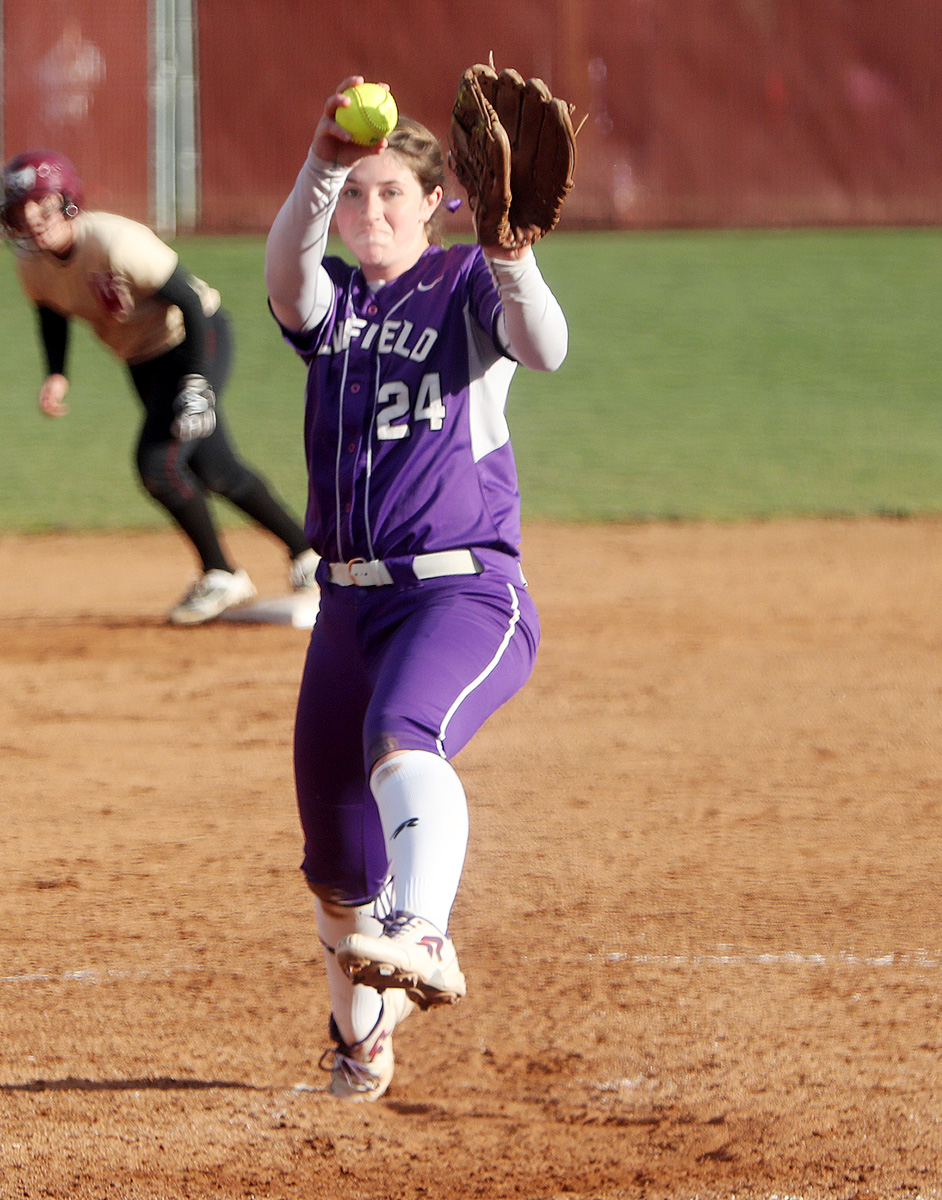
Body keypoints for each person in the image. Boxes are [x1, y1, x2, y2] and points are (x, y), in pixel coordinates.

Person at [264, 78, 569, 1100]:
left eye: (393, 192)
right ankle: (363, 1041)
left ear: (437, 203)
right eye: (358, 195)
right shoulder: (335, 306)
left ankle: (427, 929)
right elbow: (284, 278)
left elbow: (547, 347)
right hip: (346, 610)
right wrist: (322, 161)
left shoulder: (465, 284)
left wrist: (513, 256)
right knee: (337, 870)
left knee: (404, 734)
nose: (373, 211)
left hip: (461, 594)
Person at [0, 150, 318, 625]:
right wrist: (57, 373)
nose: (33, 219)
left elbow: (190, 302)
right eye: (21, 209)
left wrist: (198, 381)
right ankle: (307, 554)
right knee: (216, 468)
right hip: (142, 361)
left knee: (159, 465)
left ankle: (221, 573)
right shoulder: (32, 265)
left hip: (195, 341)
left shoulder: (116, 242)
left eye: (42, 204)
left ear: (68, 200)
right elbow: (52, 311)